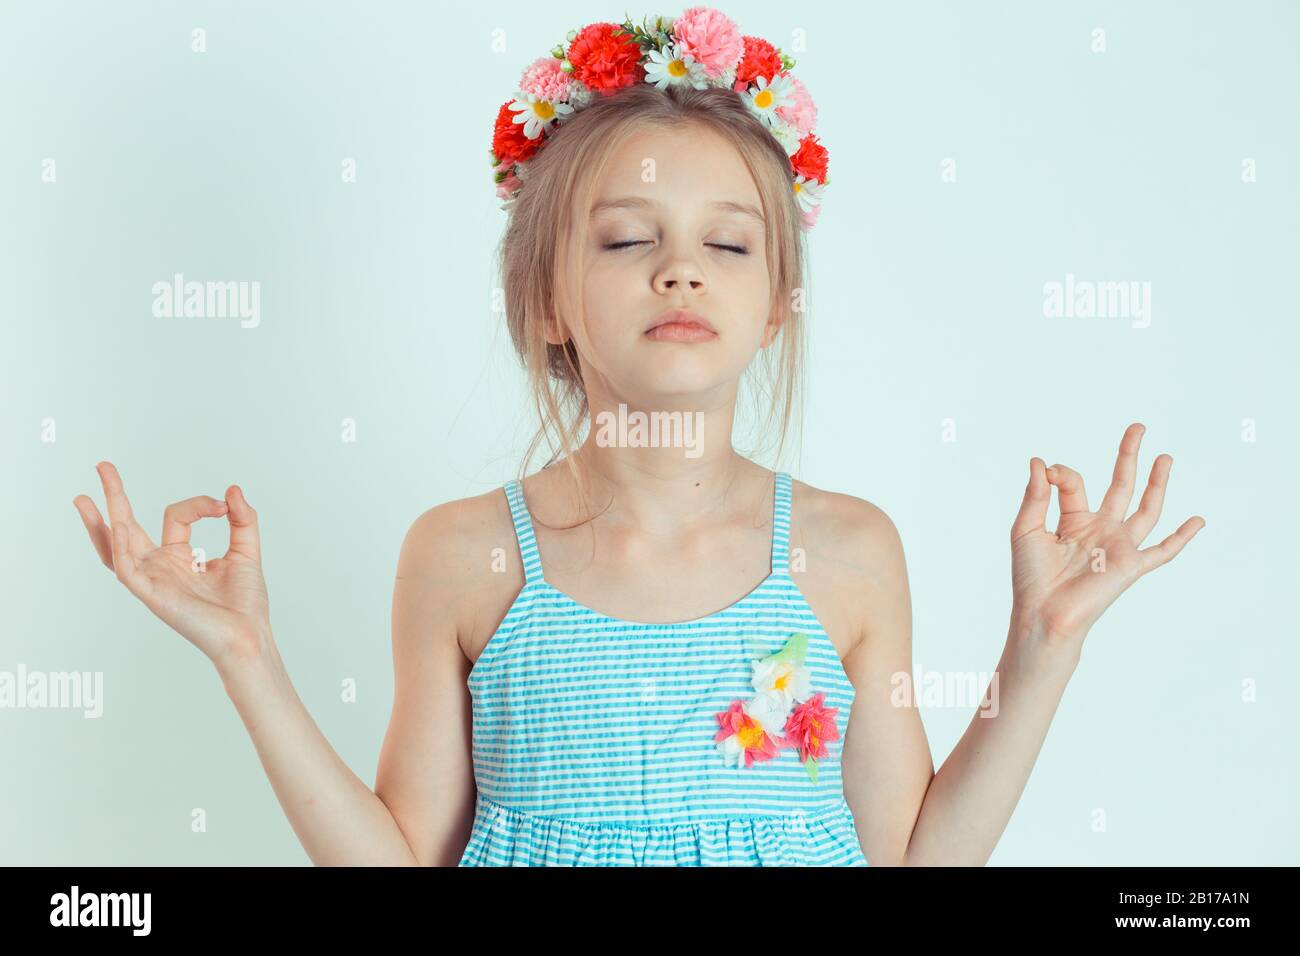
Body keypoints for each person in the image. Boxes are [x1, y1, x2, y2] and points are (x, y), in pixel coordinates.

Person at [72, 8, 1204, 866]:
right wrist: (248, 657)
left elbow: (912, 854)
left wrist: (1042, 645)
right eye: (625, 240)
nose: (678, 268)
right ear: (546, 304)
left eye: (728, 244)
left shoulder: (848, 551)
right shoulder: (465, 556)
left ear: (774, 306)